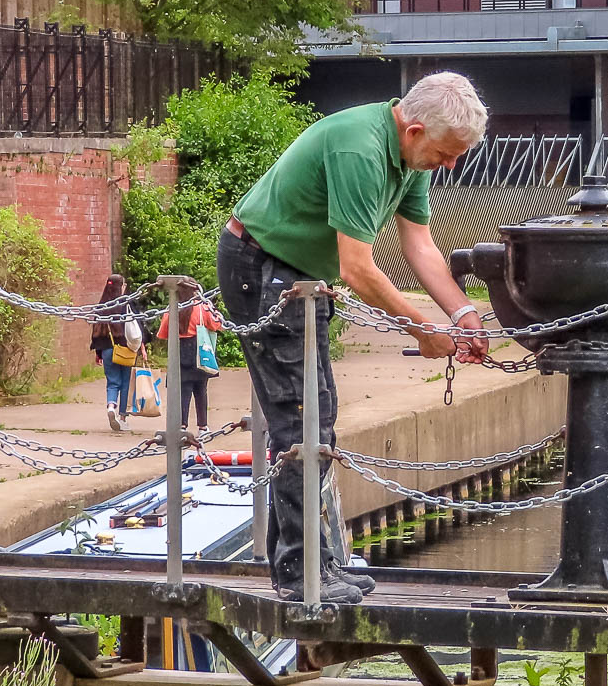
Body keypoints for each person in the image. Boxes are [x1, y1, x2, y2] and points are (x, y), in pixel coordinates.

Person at [218, 71, 490, 604]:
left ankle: (318, 564)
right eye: (447, 152)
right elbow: (358, 270)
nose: (451, 164)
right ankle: (301, 575)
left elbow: (421, 246)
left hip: (299, 277)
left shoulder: (409, 156)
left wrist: (460, 313)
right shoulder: (362, 152)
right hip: (263, 268)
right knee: (301, 421)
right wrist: (421, 328)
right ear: (413, 130)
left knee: (317, 416)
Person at [157, 280, 224, 430]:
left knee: (183, 391)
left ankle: (182, 424)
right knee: (201, 390)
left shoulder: (172, 308)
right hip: (198, 349)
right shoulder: (202, 307)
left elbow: (162, 333)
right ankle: (203, 426)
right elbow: (216, 325)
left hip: (179, 350)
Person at [89, 274, 139, 432]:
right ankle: (122, 417)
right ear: (121, 286)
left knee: (112, 383)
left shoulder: (101, 306)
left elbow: (96, 332)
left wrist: (98, 353)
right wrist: (141, 347)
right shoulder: (126, 305)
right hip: (125, 350)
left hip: (106, 350)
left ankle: (111, 407)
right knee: (125, 383)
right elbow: (137, 328)